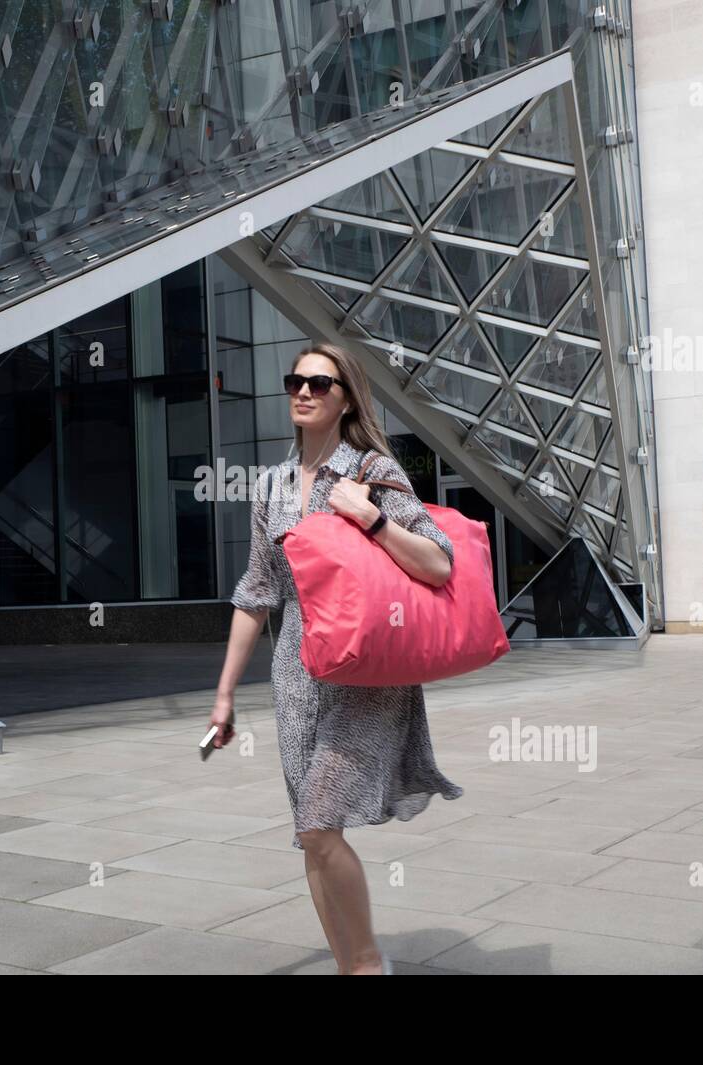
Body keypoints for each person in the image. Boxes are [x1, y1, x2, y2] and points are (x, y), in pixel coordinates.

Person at [210, 341, 461, 976]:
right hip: (296, 675)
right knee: (312, 835)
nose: (303, 392)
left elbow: (438, 563)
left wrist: (371, 518)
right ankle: (352, 966)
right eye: (296, 380)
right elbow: (258, 592)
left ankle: (368, 965)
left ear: (346, 397)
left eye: (320, 384)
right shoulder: (269, 485)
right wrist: (224, 694)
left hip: (367, 676)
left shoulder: (373, 470)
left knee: (321, 821)